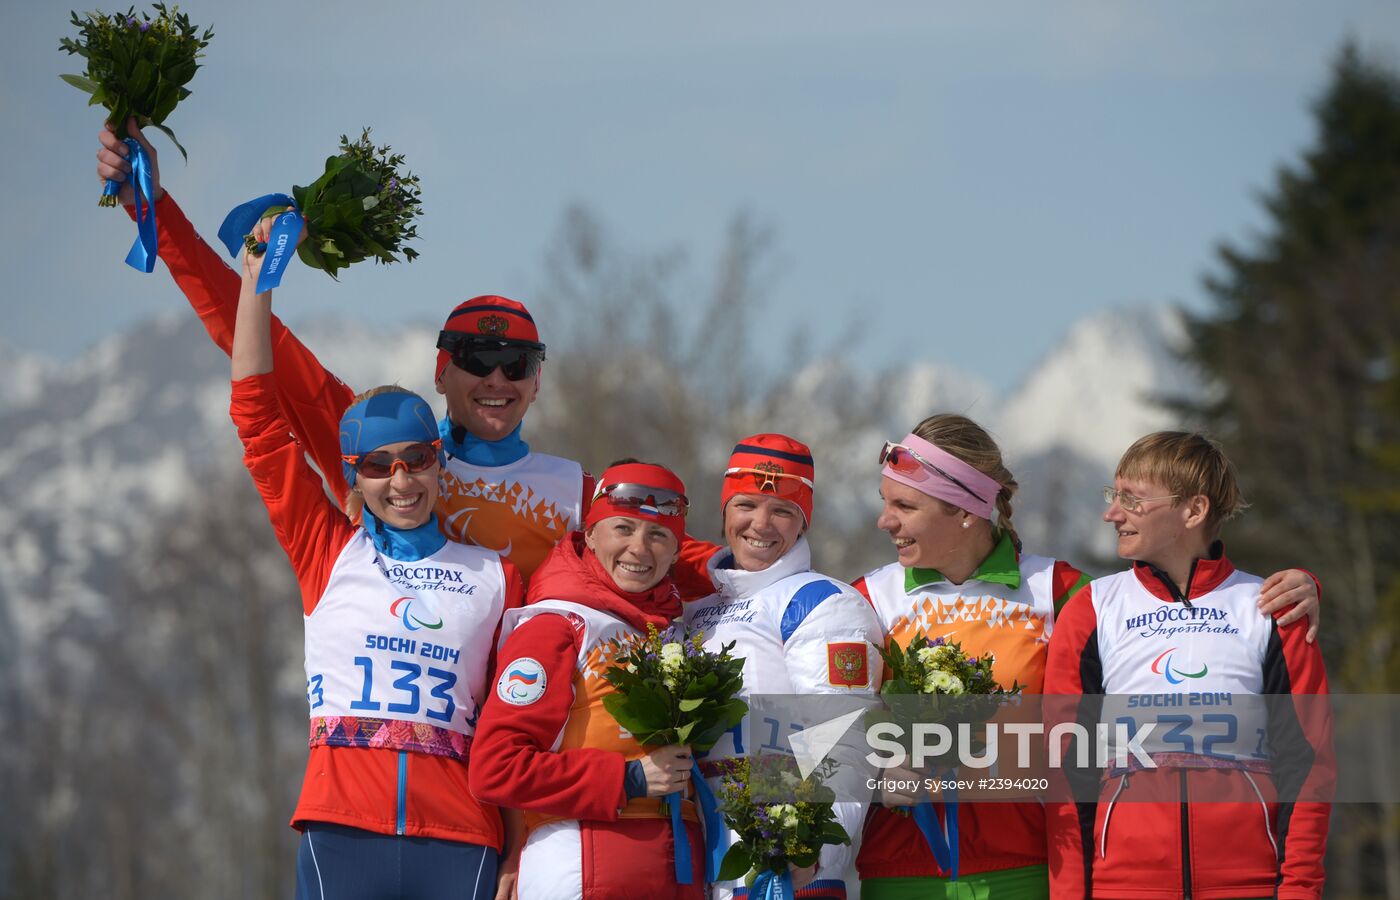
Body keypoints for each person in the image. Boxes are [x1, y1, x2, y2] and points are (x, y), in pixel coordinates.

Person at [850, 415, 1322, 899]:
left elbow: (1170, 609)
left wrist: (1298, 590)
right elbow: (818, 733)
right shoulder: (866, 599)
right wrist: (873, 773)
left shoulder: (1061, 592)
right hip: (901, 867)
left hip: (1027, 867)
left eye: (904, 505)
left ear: (965, 509)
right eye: (886, 503)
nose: (885, 520)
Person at [96, 121, 589, 579]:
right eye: (477, 359)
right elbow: (249, 333)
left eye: (516, 364)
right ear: (441, 372)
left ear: (537, 382)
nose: (497, 379)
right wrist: (153, 210)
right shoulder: (377, 446)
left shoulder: (580, 494)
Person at [228, 219, 526, 899]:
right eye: (377, 466)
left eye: (416, 459)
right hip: (342, 834)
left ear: (438, 461)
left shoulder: (495, 576)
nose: (401, 481)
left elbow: (512, 724)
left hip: (462, 840)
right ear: (352, 476)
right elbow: (257, 420)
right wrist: (255, 283)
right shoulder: (328, 551)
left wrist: (519, 846)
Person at [1044, 432, 1331, 899]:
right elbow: (1066, 769)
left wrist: (1299, 890)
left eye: (1132, 499)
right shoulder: (1091, 610)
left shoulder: (1273, 608)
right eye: (1113, 495)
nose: (1112, 513)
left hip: (1249, 885)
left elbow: (1309, 765)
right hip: (1123, 887)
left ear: (1193, 510)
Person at [469, 461, 706, 899]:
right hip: (582, 862)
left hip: (677, 866)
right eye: (623, 529)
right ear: (590, 534)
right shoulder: (557, 624)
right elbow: (496, 768)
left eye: (658, 535)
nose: (639, 548)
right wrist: (627, 779)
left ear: (677, 552)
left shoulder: (680, 633)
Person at [682, 434, 885, 900]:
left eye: (782, 510)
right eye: (746, 505)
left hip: (786, 871)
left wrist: (810, 848)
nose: (761, 524)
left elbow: (844, 740)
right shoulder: (696, 609)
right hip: (702, 866)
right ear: (724, 511)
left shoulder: (824, 602)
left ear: (803, 522)